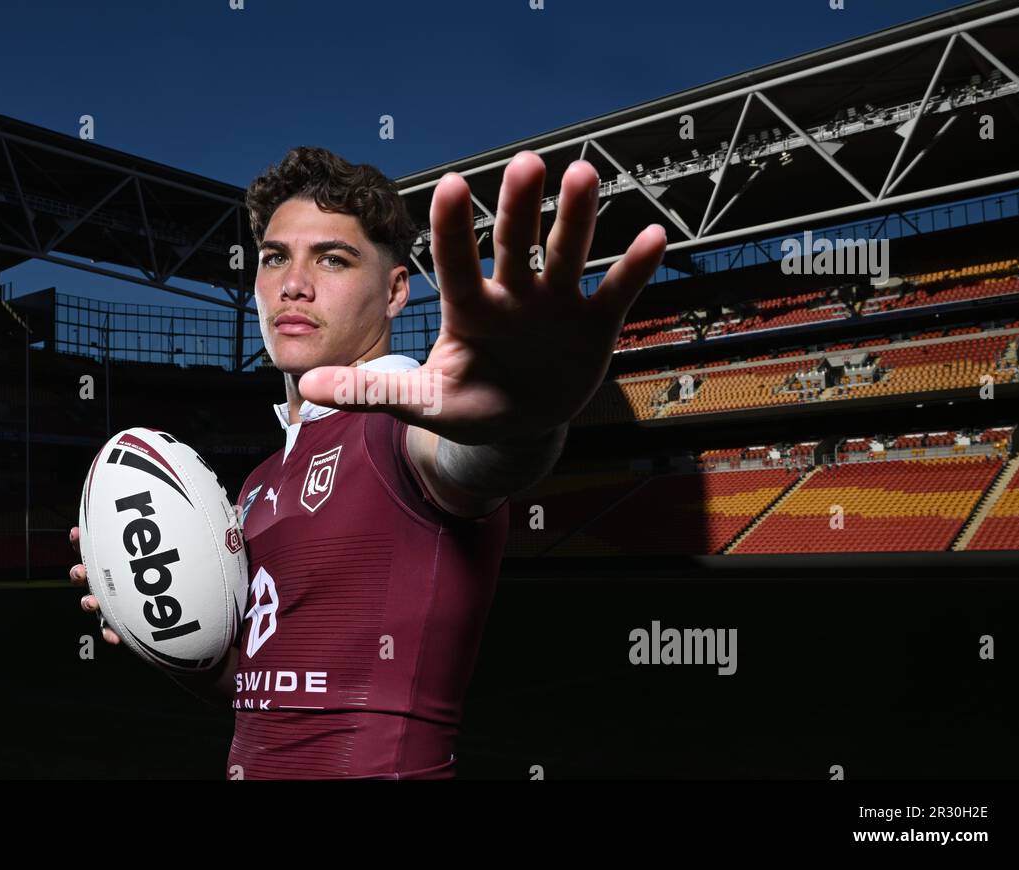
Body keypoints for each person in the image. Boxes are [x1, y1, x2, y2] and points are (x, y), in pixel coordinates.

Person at [69, 145, 667, 778]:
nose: (293, 283)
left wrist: (524, 419)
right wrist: (177, 646)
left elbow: (483, 459)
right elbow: (267, 701)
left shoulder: (407, 431)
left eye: (333, 258)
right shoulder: (255, 484)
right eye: (275, 258)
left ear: (394, 291)